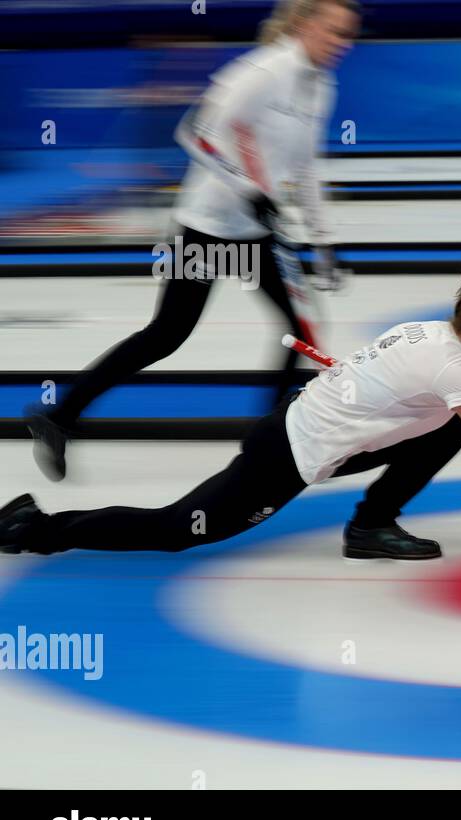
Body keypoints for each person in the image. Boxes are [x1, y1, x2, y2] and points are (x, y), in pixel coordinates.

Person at [0, 266, 461, 559]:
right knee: (180, 529)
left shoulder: (438, 336)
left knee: (455, 425)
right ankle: (34, 528)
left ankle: (372, 526)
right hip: (285, 453)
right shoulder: (449, 366)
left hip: (306, 423)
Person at [24, 0, 359, 482]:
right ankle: (58, 415)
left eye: (347, 34)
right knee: (168, 334)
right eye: (333, 31)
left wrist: (325, 241)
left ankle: (266, 445)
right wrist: (248, 190)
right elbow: (197, 133)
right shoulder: (261, 71)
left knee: (301, 331)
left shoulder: (320, 83)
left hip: (256, 232)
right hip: (207, 226)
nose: (341, 43)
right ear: (305, 25)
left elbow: (306, 164)